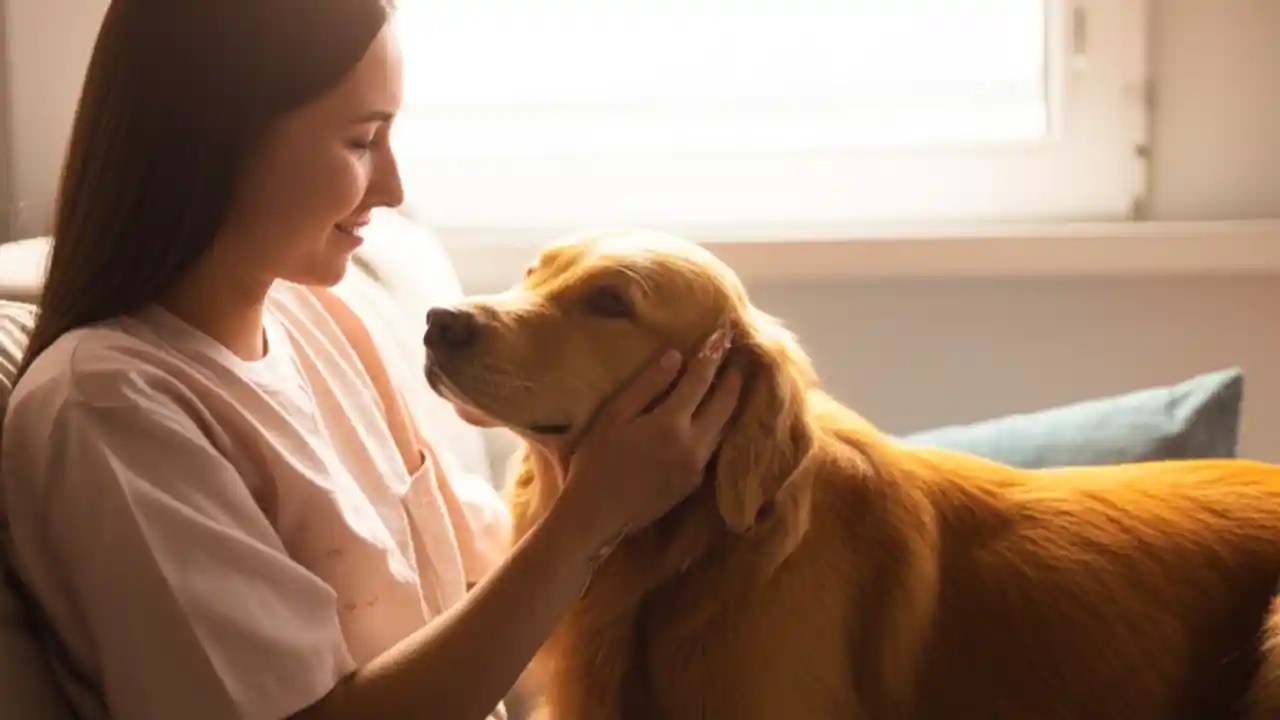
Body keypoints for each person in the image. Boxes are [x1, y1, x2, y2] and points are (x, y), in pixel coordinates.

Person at [0, 2, 742, 719]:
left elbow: (473, 567)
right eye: (361, 142)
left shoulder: (326, 314)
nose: (392, 189)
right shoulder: (111, 406)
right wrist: (589, 519)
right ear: (216, 140)